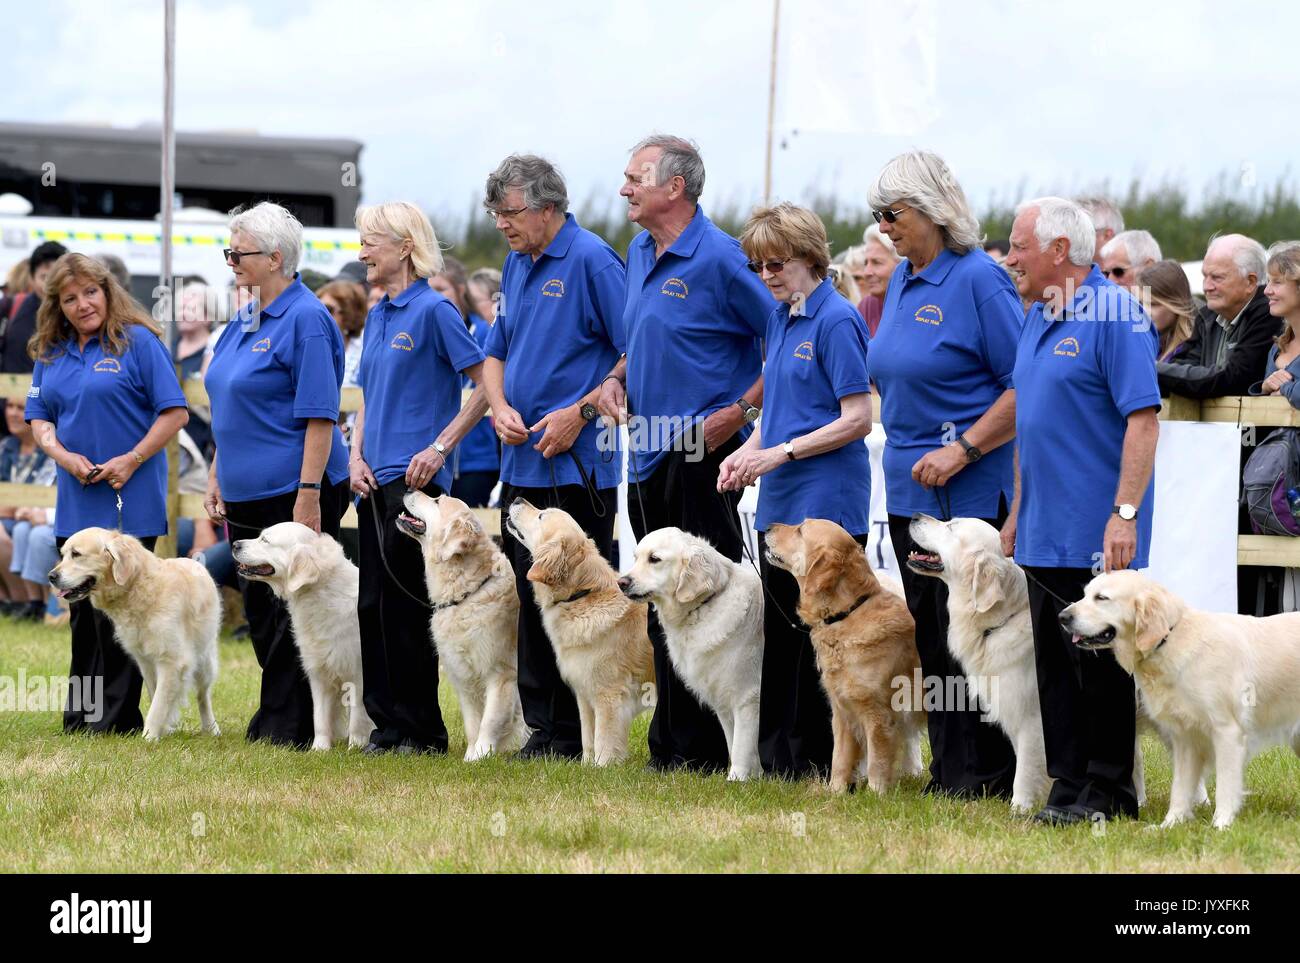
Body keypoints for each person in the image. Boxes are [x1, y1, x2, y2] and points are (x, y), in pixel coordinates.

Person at [597, 134, 774, 773]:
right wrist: (617, 377)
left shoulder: (725, 258)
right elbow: (637, 343)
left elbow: (780, 337)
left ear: (675, 187)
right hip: (646, 452)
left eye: (634, 177)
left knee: (712, 603)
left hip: (705, 452)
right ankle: (672, 746)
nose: (623, 189)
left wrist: (741, 411)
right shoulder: (638, 251)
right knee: (660, 600)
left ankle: (712, 749)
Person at [863, 150, 1022, 800]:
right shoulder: (902, 278)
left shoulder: (980, 279)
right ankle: (951, 770)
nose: (883, 226)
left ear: (930, 209)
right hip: (908, 490)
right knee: (933, 633)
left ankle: (990, 771)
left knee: (978, 634)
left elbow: (1023, 385)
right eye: (876, 215)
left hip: (970, 491)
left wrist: (965, 450)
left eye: (891, 213)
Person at [1003, 196, 1159, 825]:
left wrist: (1124, 512)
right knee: (1056, 676)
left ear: (1059, 251)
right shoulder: (1036, 317)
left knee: (1099, 673)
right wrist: (1015, 513)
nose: (1010, 258)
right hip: (1040, 529)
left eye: (1018, 246)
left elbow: (1142, 421)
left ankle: (1110, 793)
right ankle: (1069, 787)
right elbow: (1029, 425)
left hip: (1095, 536)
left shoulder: (1116, 315)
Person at [720, 202, 872, 778]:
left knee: (827, 642)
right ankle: (781, 759)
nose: (768, 277)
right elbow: (778, 410)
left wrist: (778, 453)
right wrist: (746, 449)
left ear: (811, 257)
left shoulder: (836, 321)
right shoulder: (780, 317)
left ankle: (824, 761)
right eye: (759, 267)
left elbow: (856, 417)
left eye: (777, 264)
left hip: (827, 500)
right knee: (784, 636)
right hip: (781, 499)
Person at [481, 154, 625, 760]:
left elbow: (633, 355)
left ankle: (579, 730)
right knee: (530, 593)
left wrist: (581, 413)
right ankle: (545, 729)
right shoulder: (517, 263)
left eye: (510, 213)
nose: (502, 226)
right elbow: (496, 352)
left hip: (580, 467)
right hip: (523, 466)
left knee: (580, 602)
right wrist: (496, 406)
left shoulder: (592, 259)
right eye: (495, 215)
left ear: (548, 208)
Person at [204, 201, 352, 748]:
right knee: (263, 613)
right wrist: (218, 473)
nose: (230, 262)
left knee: (297, 609)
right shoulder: (244, 319)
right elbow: (227, 404)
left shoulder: (307, 319)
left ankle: (290, 725)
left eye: (238, 253)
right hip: (244, 489)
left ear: (274, 257)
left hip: (293, 490)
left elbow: (319, 414)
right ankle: (277, 714)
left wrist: (309, 493)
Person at [25, 253, 189, 733]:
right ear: (57, 305)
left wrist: (131, 459)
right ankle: (81, 716)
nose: (82, 305)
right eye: (70, 298)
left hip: (129, 502)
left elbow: (174, 413)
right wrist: (63, 455)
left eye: (90, 293)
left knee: (125, 616)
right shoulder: (50, 352)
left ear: (108, 291)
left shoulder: (138, 342)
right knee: (82, 616)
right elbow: (40, 420)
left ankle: (115, 719)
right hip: (77, 503)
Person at [349, 201, 488, 754]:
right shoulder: (378, 312)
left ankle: (421, 730)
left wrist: (440, 447)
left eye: (370, 241)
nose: (361, 252)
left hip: (418, 487)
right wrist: (354, 454)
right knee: (372, 607)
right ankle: (386, 726)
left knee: (407, 609)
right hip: (371, 480)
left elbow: (485, 388)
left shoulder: (435, 311)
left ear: (405, 247)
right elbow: (365, 399)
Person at [1157, 234, 1277, 398]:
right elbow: (1180, 370)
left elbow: (1234, 379)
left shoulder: (1270, 313)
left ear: (1250, 282)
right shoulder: (1208, 315)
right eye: (1204, 276)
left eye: (1217, 277)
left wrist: (1153, 369)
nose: (1206, 286)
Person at [430, 255, 500, 508]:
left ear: (461, 289)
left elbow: (492, 382)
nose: (435, 296)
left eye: (441, 289)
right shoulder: (428, 331)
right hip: (433, 458)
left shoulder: (485, 332)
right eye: (429, 290)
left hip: (475, 461)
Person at [0, 397, 58, 620]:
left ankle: (24, 600)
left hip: (36, 515)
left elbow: (41, 495)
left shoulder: (50, 449)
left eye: (21, 408)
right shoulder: (6, 446)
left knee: (26, 531)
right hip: (17, 516)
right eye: (10, 407)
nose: (13, 414)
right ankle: (11, 598)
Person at [1, 241, 68, 373]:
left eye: (56, 277)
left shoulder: (81, 313)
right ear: (31, 278)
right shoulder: (10, 307)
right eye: (44, 277)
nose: (50, 286)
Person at [1251, 241, 1300, 408]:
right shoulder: (1278, 347)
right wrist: (1264, 388)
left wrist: (1284, 388)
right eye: (1268, 281)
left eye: (1277, 282)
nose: (1266, 291)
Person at [1136, 260, 1197, 362]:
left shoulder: (1191, 354)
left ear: (1177, 303)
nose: (1145, 312)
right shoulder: (1147, 344)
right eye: (1141, 304)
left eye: (1153, 304)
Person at [316, 279, 367, 391]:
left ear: (349, 312)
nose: (321, 316)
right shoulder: (310, 344)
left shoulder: (366, 346)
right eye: (319, 309)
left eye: (328, 309)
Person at [858, 223, 901, 337]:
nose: (867, 272)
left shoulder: (917, 305)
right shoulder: (867, 306)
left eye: (876, 262)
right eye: (866, 263)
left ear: (901, 264)